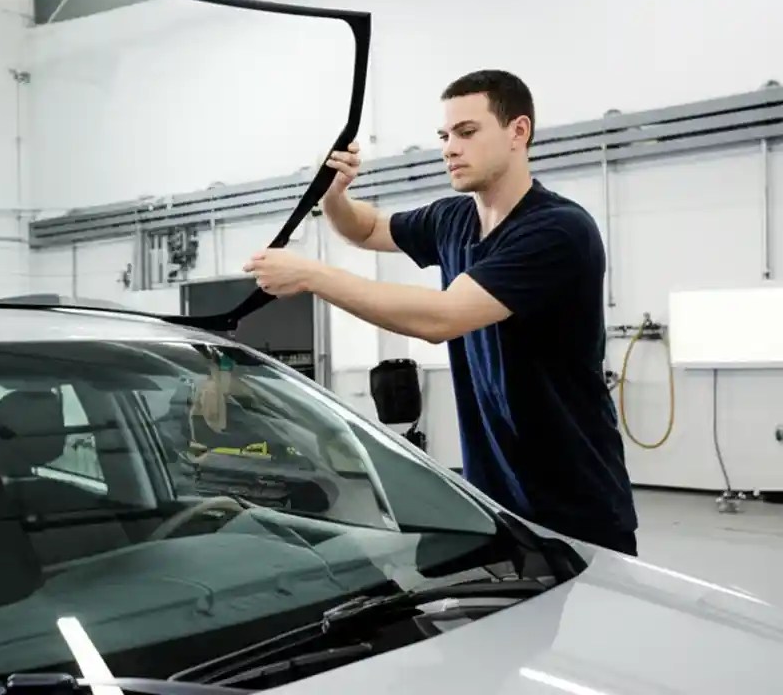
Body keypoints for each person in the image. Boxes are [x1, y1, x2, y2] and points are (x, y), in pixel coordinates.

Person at [242, 69, 639, 556]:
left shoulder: (557, 230)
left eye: (467, 132)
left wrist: (311, 276)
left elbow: (442, 318)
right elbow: (366, 230)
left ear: (518, 132)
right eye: (445, 135)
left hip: (578, 503)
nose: (450, 147)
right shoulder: (453, 219)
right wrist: (334, 195)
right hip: (496, 500)